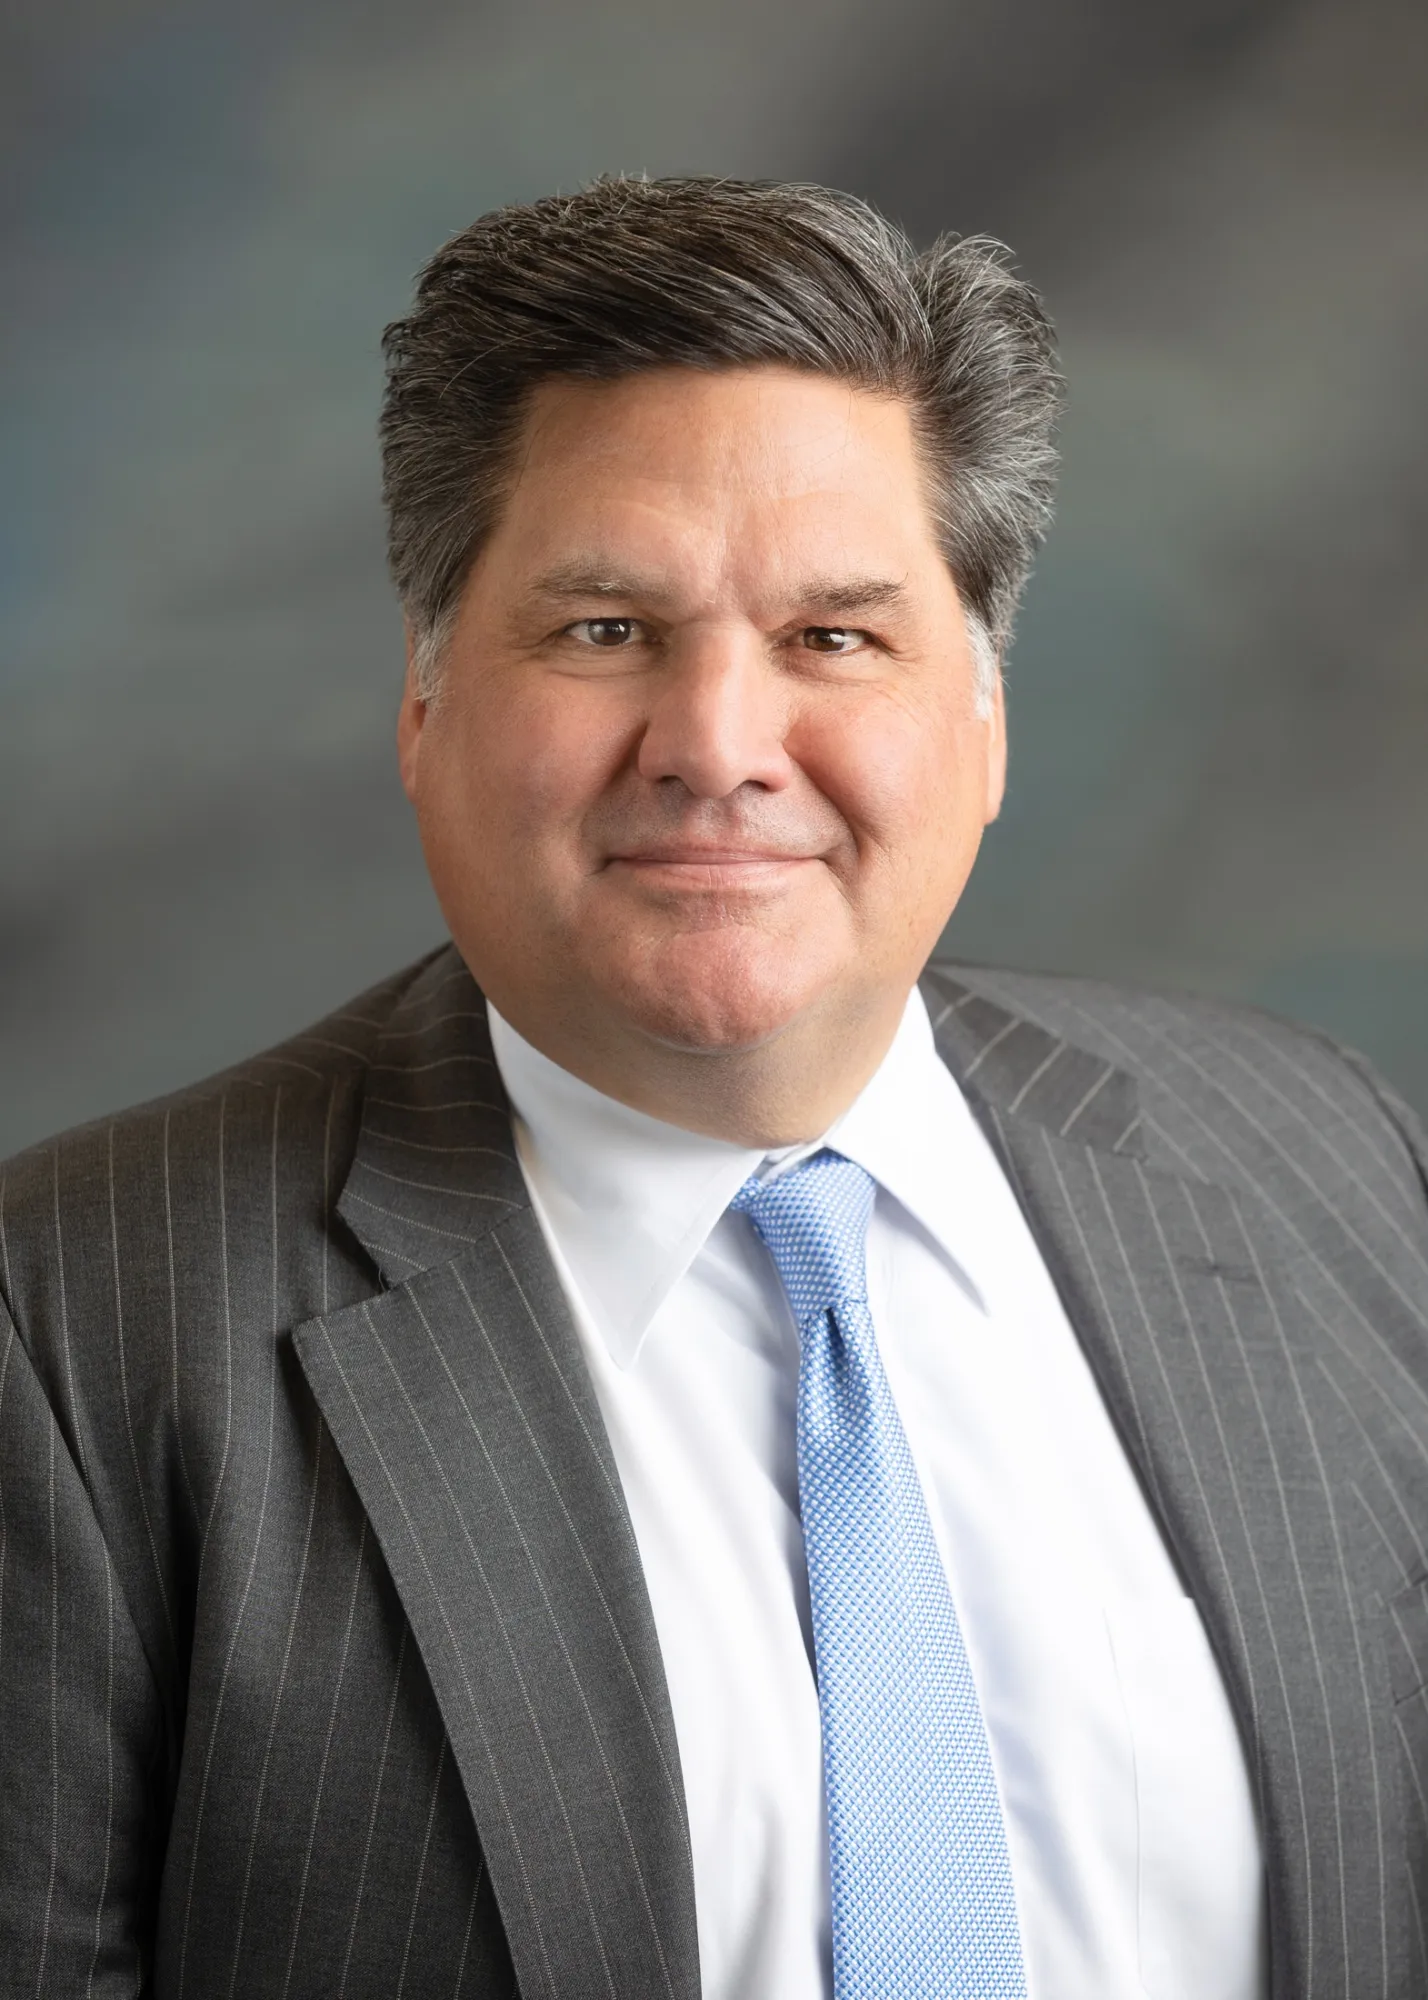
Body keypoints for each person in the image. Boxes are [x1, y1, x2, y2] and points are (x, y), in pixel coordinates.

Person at [1, 175, 1425, 2000]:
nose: (721, 748)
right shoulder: (72, 1323)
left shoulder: (1324, 1158)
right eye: (605, 630)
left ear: (985, 719)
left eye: (836, 636)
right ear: (426, 705)